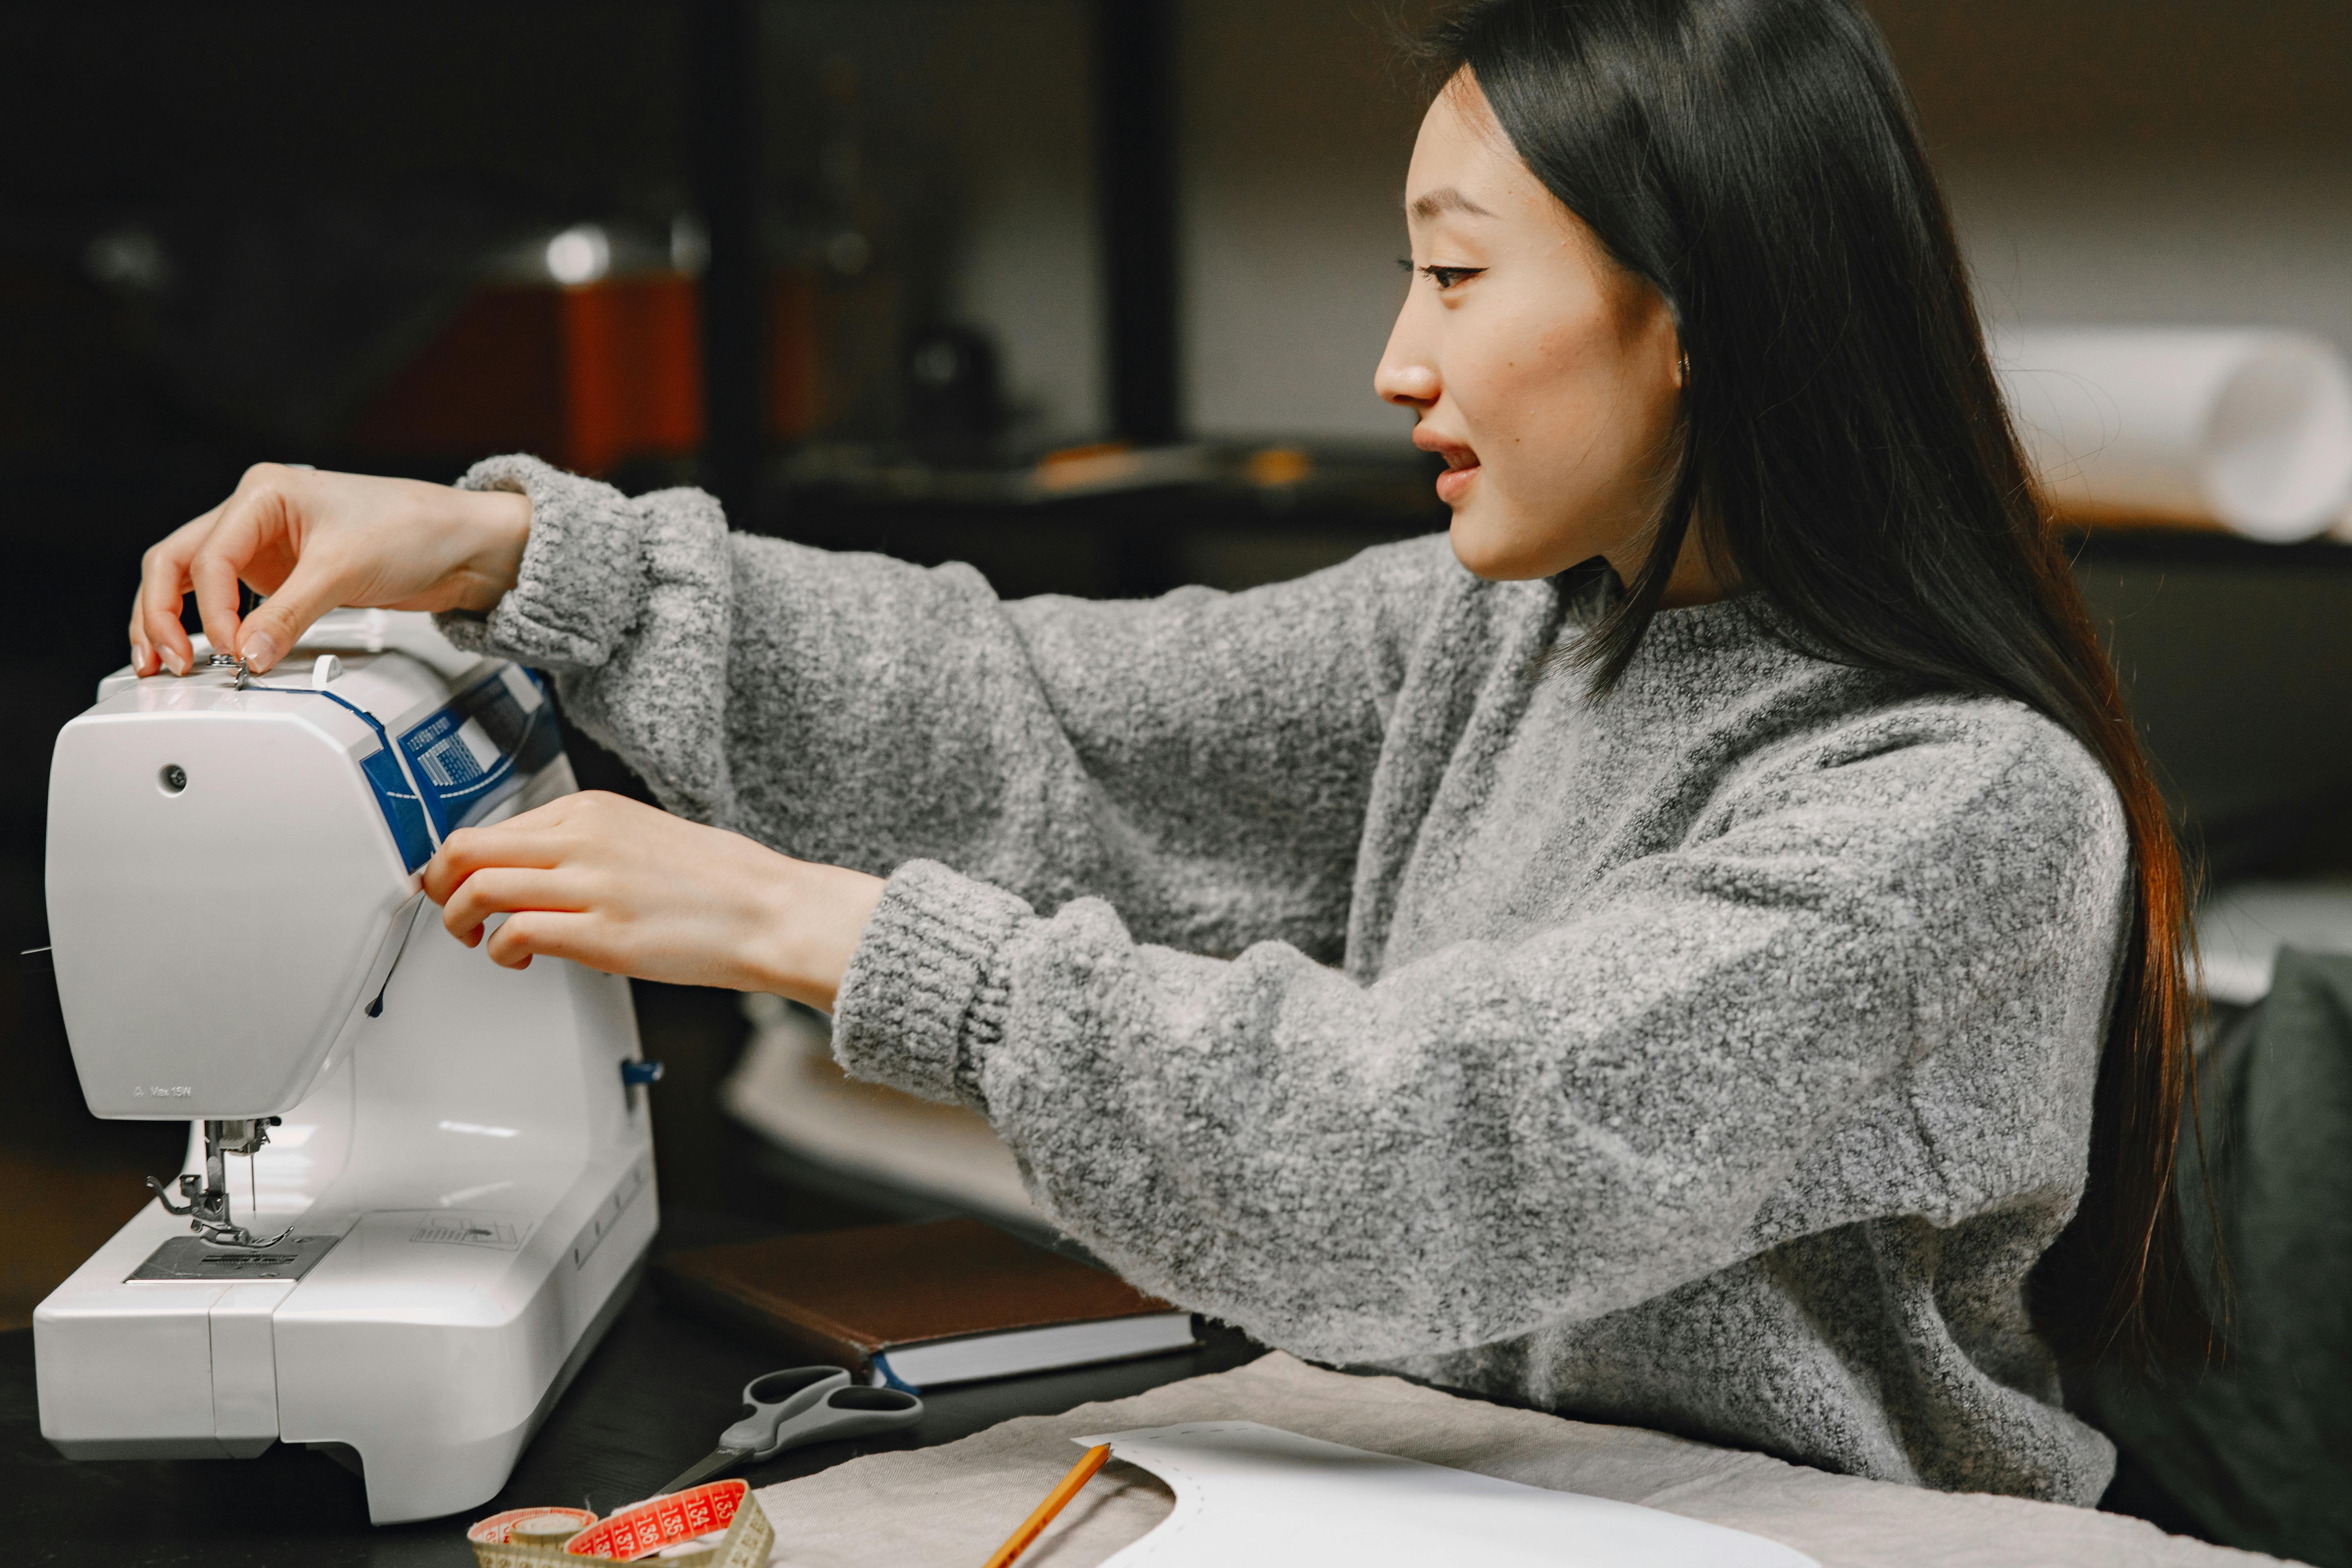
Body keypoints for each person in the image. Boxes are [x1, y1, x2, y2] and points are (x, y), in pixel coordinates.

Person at [126, 0, 2204, 1506]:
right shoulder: (1495, 634)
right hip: (1489, 1494)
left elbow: (1433, 1151)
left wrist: (824, 933)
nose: (1397, 358)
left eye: (1457, 274)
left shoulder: (1959, 812)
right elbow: (1043, 721)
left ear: (1698, 318)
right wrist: (522, 552)